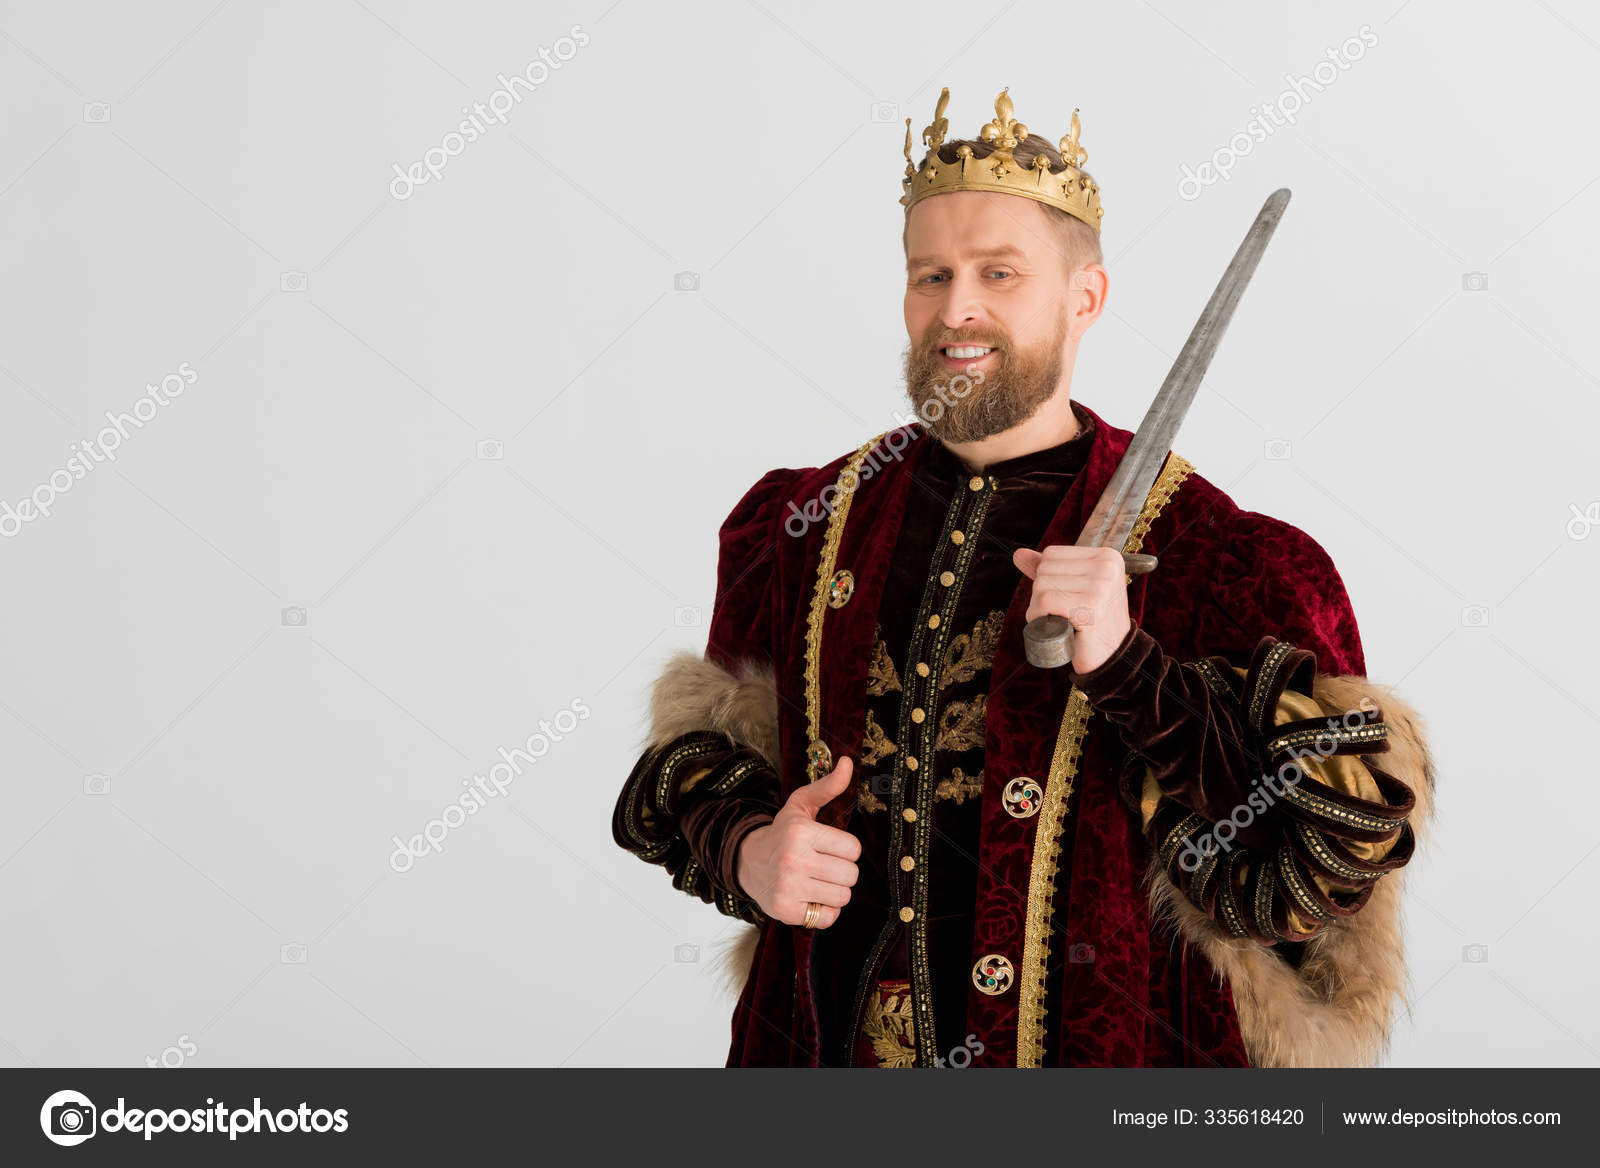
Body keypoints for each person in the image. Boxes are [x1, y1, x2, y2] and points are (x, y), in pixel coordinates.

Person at [612, 87, 1433, 1068]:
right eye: (930, 275)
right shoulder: (802, 525)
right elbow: (698, 763)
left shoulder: (1233, 559)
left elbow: (1329, 867)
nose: (956, 308)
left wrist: (1132, 669)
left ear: (1085, 298)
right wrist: (748, 847)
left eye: (998, 273)